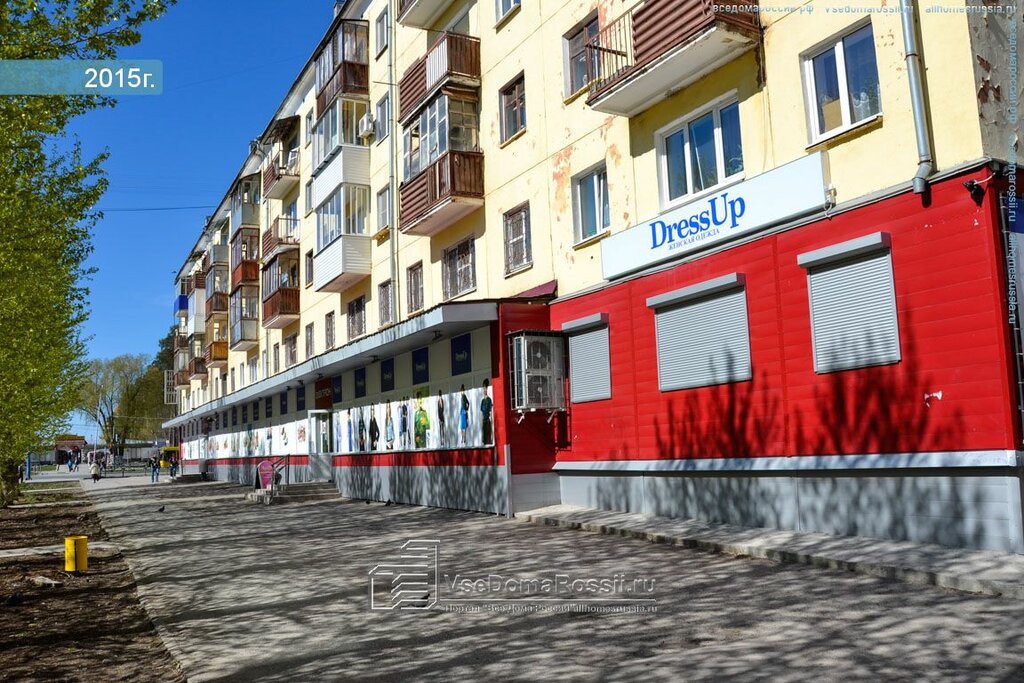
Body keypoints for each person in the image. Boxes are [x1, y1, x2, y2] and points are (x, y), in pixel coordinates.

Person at [480, 379, 494, 445]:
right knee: (484, 439)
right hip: (483, 421)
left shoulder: (489, 400)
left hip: (488, 421)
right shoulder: (482, 401)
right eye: (484, 388)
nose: (484, 390)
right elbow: (481, 412)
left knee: (488, 439)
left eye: (486, 388)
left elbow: (491, 412)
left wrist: (492, 424)